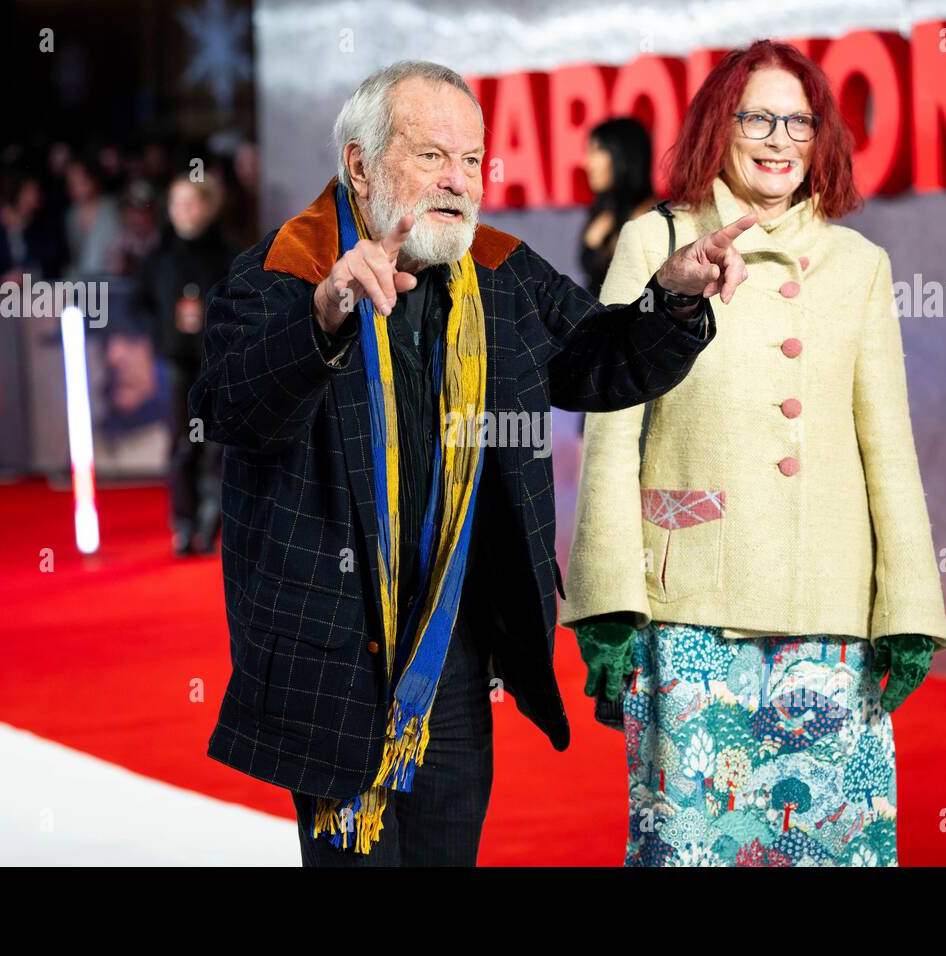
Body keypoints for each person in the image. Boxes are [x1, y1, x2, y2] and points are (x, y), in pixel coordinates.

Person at [190, 59, 755, 866]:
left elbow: (595, 361)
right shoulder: (286, 269)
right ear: (358, 164)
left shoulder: (498, 271)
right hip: (334, 656)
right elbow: (231, 409)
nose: (458, 181)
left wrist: (672, 295)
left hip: (453, 663)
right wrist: (324, 316)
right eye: (430, 157)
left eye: (471, 160)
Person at [561, 39, 946, 867]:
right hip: (691, 613)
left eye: (800, 122)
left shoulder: (859, 266)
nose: (780, 139)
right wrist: (606, 600)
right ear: (718, 125)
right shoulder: (652, 241)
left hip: (831, 625)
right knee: (693, 847)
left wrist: (909, 609)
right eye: (758, 118)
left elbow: (889, 449)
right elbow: (612, 435)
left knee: (829, 850)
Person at [132, 178, 235, 555]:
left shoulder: (227, 255)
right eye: (178, 204)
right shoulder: (158, 258)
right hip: (175, 365)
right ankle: (183, 525)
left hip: (215, 366)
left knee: (214, 449)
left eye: (192, 203)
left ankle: (210, 526)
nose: (185, 212)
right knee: (181, 446)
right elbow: (140, 305)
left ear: (207, 207)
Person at [579, 117, 657, 299]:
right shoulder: (603, 212)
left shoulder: (650, 218)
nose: (587, 163)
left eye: (596, 151)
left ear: (622, 154)